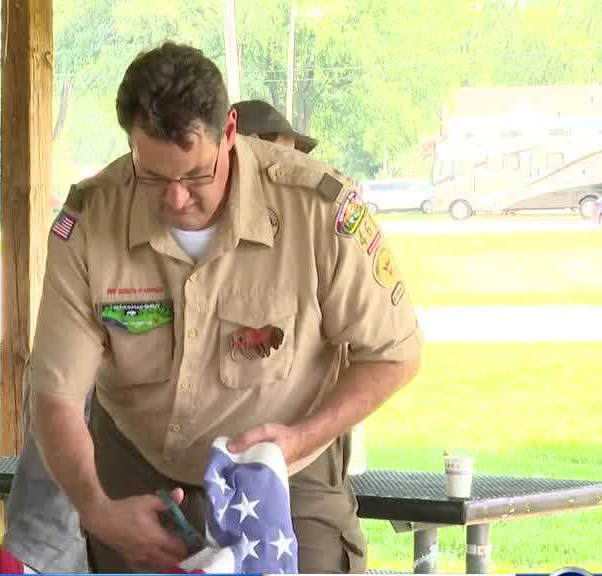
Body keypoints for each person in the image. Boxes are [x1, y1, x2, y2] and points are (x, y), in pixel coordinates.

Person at [28, 41, 422, 573]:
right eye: (153, 177)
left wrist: (301, 438)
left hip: (282, 469)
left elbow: (394, 353)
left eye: (194, 177)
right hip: (140, 468)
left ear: (229, 133)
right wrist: (96, 509)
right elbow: (56, 395)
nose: (174, 200)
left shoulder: (316, 209)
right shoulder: (89, 222)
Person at [0, 97, 331, 575]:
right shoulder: (108, 234)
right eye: (273, 151)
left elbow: (381, 354)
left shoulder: (312, 225)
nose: (280, 169)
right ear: (230, 146)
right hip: (143, 482)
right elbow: (57, 410)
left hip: (293, 478)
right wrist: (88, 516)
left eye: (293, 154)